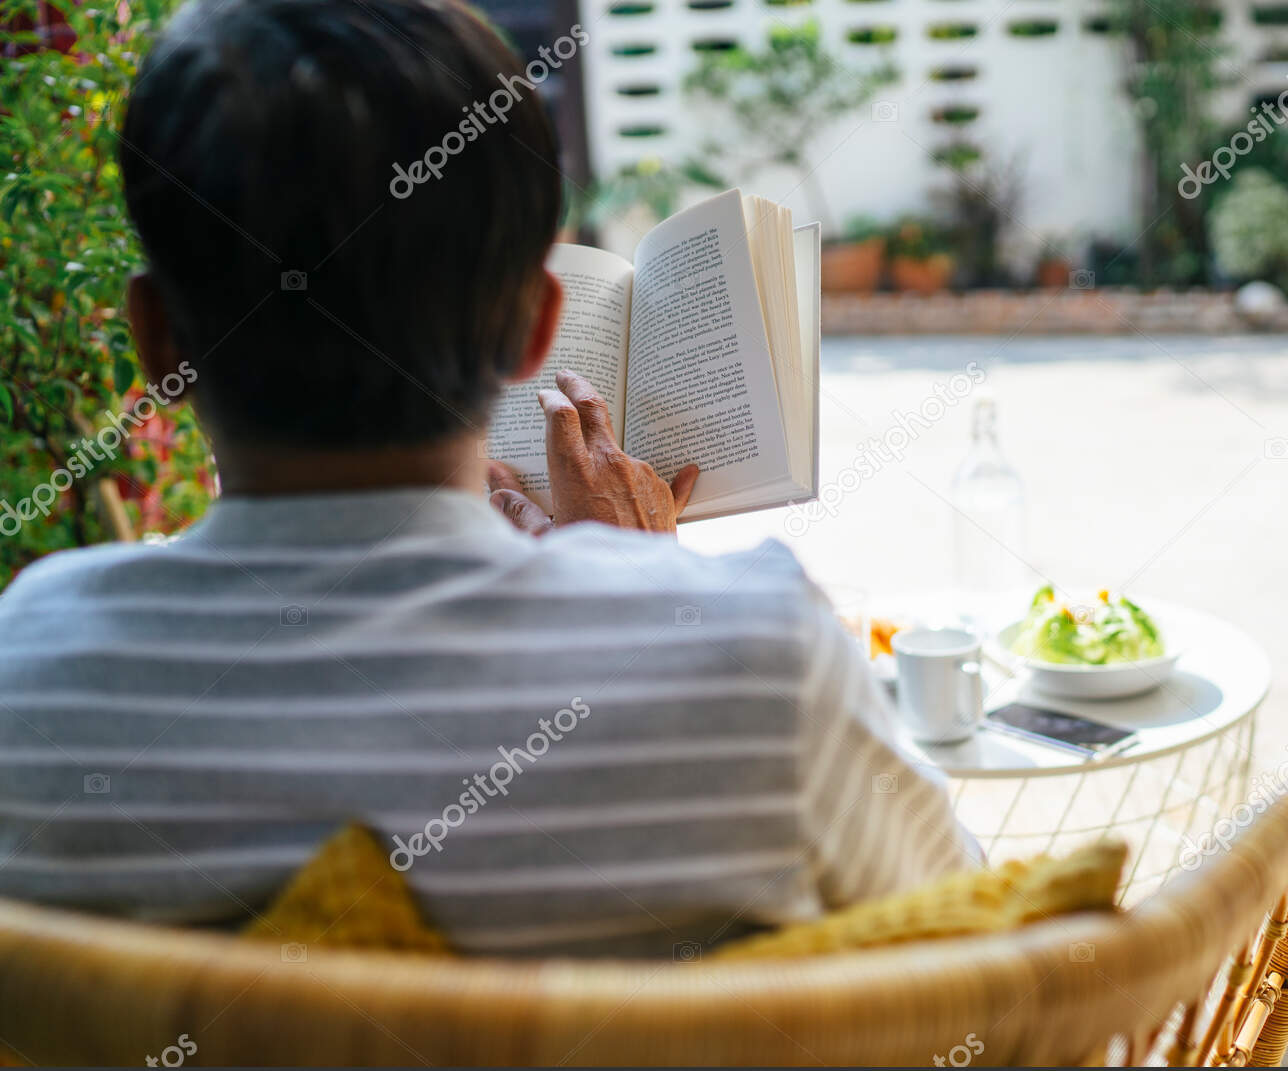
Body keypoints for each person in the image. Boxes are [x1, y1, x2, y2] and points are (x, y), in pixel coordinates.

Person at [0, 0, 974, 957]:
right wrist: (645, 588)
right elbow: (981, 947)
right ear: (538, 328)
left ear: (155, 339)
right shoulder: (761, 664)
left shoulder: (29, 672)